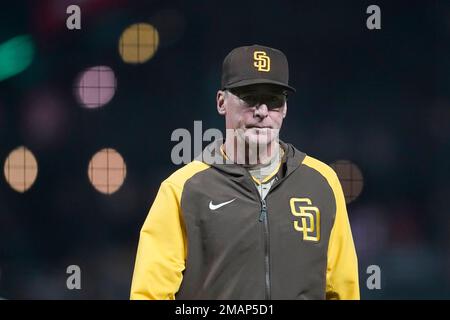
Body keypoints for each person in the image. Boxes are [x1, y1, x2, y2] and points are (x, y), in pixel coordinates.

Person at [130, 45, 360, 300]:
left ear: (284, 108)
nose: (261, 111)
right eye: (249, 97)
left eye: (273, 100)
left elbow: (343, 288)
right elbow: (150, 294)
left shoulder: (321, 182)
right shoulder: (183, 189)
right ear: (221, 102)